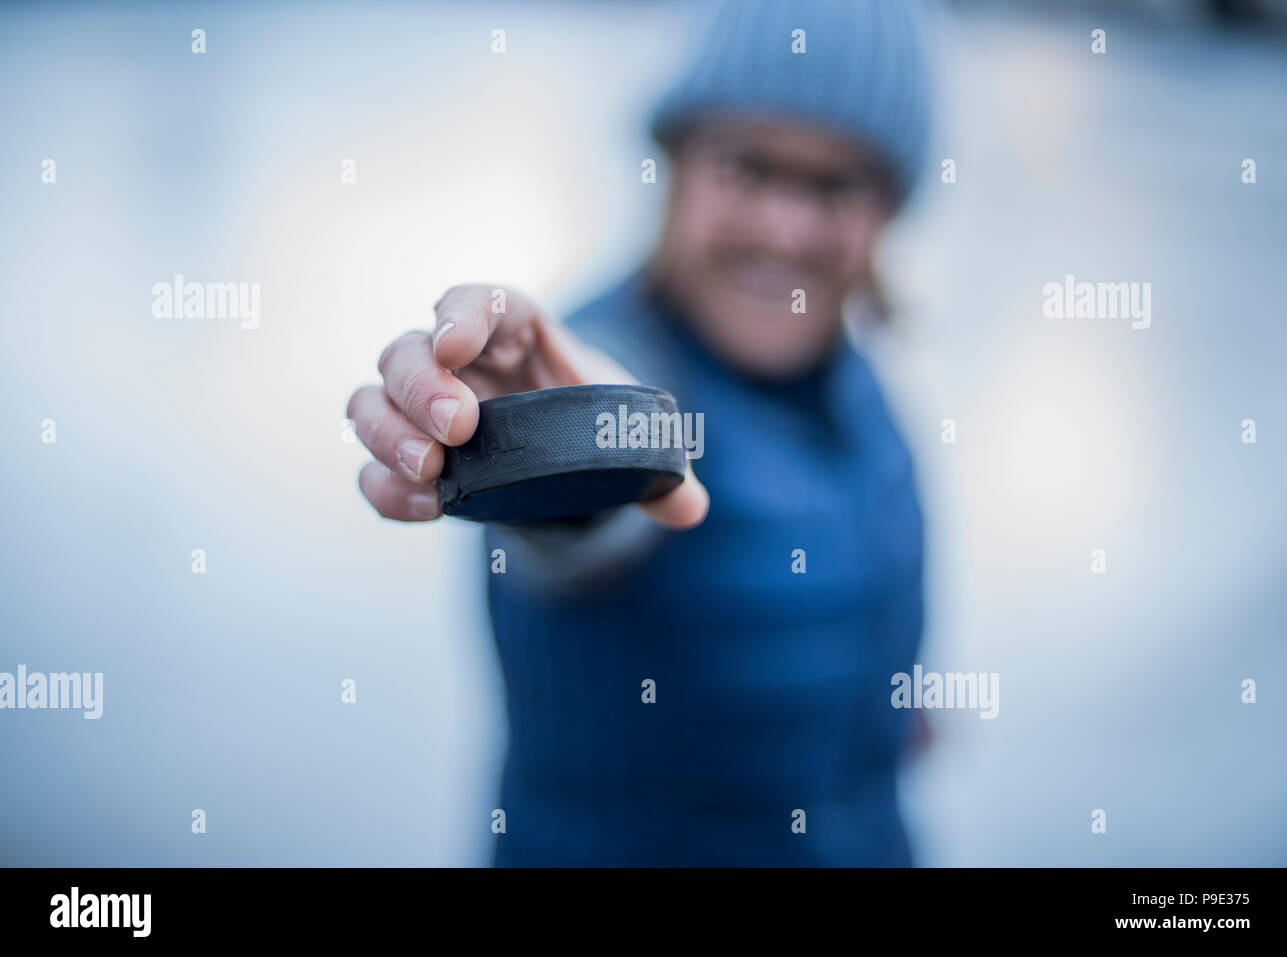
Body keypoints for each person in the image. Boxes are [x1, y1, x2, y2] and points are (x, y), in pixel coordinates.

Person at [346, 0, 932, 866]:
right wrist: (539, 444)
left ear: (886, 208)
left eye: (833, 184)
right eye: (749, 165)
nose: (783, 226)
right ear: (677, 162)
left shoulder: (860, 386)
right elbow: (585, 514)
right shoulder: (602, 369)